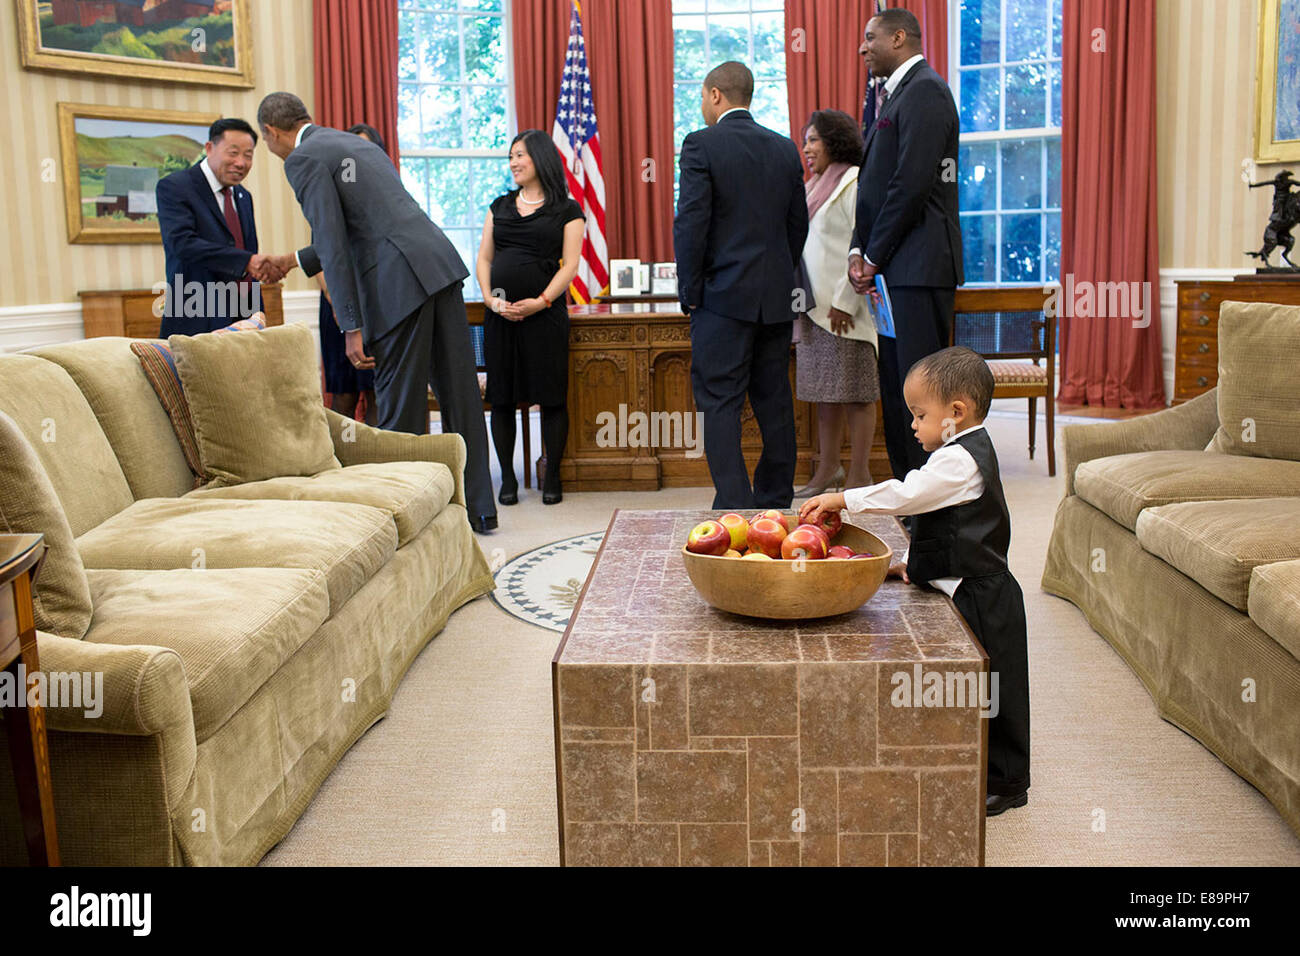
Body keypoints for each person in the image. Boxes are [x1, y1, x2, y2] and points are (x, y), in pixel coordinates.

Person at [800, 347, 1030, 816]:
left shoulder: (959, 460)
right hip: (964, 581)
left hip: (985, 594)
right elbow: (944, 527)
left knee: (997, 690)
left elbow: (910, 496)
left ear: (956, 414)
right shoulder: (953, 453)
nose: (913, 425)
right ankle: (968, 759)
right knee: (970, 685)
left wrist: (845, 498)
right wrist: (910, 563)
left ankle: (1009, 782)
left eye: (920, 415)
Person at [256, 92, 498, 534]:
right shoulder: (357, 145)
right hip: (437, 267)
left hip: (396, 284)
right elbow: (364, 226)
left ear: (272, 132)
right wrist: (292, 260)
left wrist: (351, 325)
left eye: (265, 144)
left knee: (399, 409)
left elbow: (334, 241)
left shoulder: (302, 158)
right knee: (460, 394)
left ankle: (401, 518)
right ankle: (480, 508)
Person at [674, 61, 810, 510]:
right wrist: (777, 276)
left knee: (720, 404)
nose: (701, 105)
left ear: (716, 95)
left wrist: (691, 292)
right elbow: (797, 226)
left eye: (701, 96)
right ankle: (774, 500)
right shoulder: (786, 148)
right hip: (773, 301)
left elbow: (691, 225)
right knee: (774, 400)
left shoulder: (701, 145)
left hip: (720, 300)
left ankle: (735, 506)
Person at [849, 8, 964, 481]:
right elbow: (872, 185)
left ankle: (932, 504)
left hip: (918, 270)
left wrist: (873, 256)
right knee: (899, 391)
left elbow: (911, 185)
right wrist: (859, 249)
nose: (862, 48)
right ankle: (909, 504)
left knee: (925, 398)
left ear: (899, 38)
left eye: (870, 38)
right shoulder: (889, 99)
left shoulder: (927, 92)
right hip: (892, 272)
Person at [475, 130, 586, 506]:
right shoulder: (499, 206)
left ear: (540, 158)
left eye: (520, 155)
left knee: (552, 398)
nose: (513, 163)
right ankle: (507, 479)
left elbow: (569, 265)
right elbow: (485, 259)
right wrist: (491, 300)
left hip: (545, 316)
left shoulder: (567, 210)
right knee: (502, 399)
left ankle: (551, 476)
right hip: (500, 317)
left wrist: (540, 301)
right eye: (510, 157)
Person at [793, 109, 879, 498]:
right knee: (825, 395)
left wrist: (846, 300)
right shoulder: (812, 185)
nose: (807, 148)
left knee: (857, 393)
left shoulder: (854, 181)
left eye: (813, 139)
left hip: (846, 309)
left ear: (834, 141)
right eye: (806, 140)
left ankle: (860, 475)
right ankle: (828, 470)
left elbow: (861, 242)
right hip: (813, 306)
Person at [156, 118, 295, 337]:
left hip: (244, 319)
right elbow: (183, 244)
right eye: (233, 153)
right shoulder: (175, 187)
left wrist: (260, 274)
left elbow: (248, 252)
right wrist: (246, 262)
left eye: (248, 155)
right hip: (197, 316)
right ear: (209, 148)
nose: (240, 162)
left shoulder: (243, 197)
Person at [315, 123, 385, 426]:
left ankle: (376, 464)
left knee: (375, 392)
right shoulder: (328, 192)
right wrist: (341, 304)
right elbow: (318, 255)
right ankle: (343, 468)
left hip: (376, 307)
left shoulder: (385, 197)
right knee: (343, 393)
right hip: (337, 309)